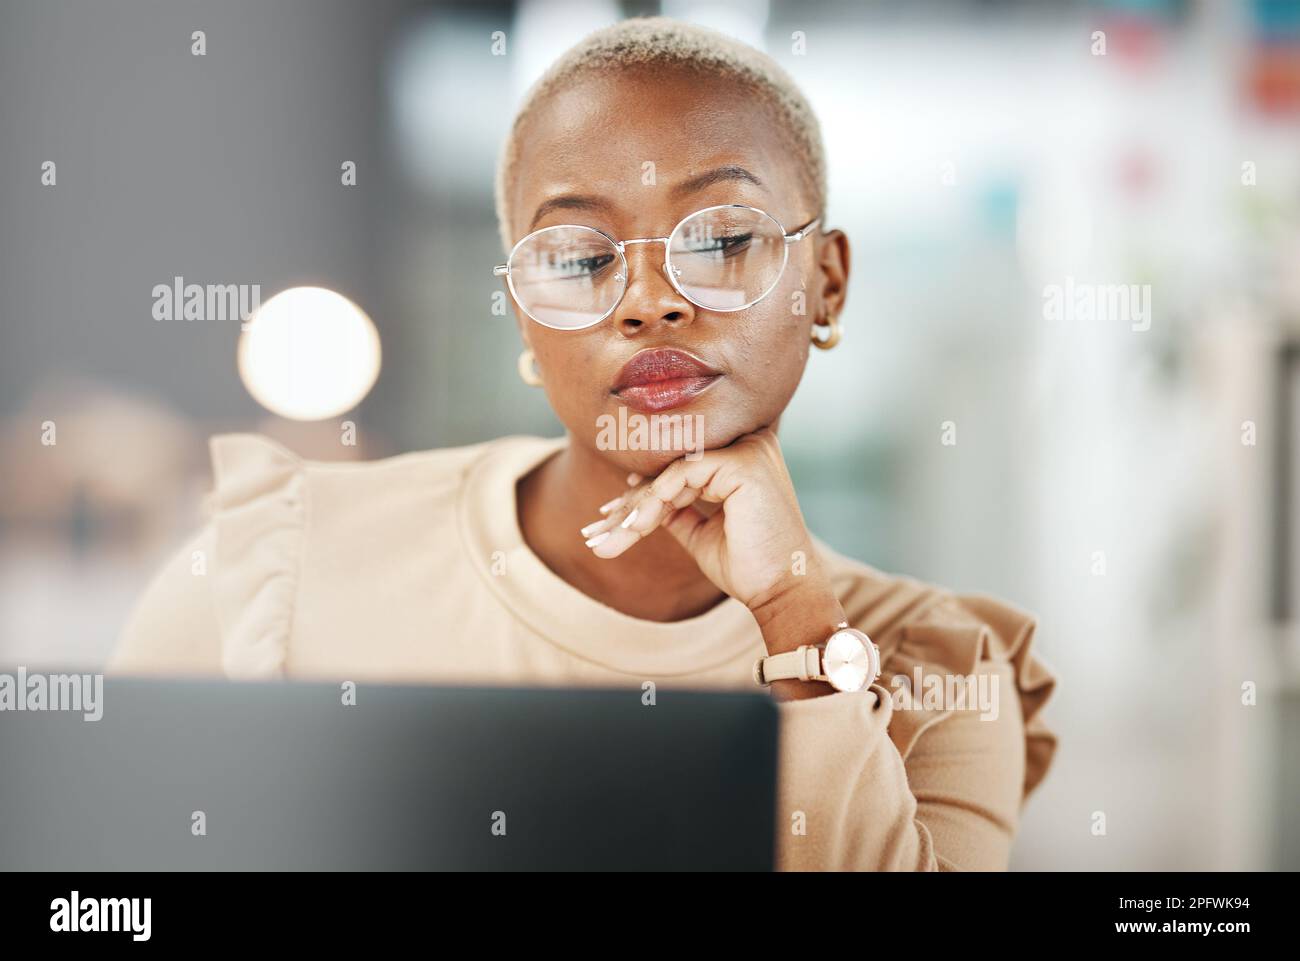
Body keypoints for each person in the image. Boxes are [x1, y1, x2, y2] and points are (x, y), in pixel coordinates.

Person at [113, 16, 1058, 871]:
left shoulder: (940, 664)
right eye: (578, 258)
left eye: (722, 239)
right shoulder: (280, 564)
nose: (650, 300)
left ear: (828, 284)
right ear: (526, 317)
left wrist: (794, 614)